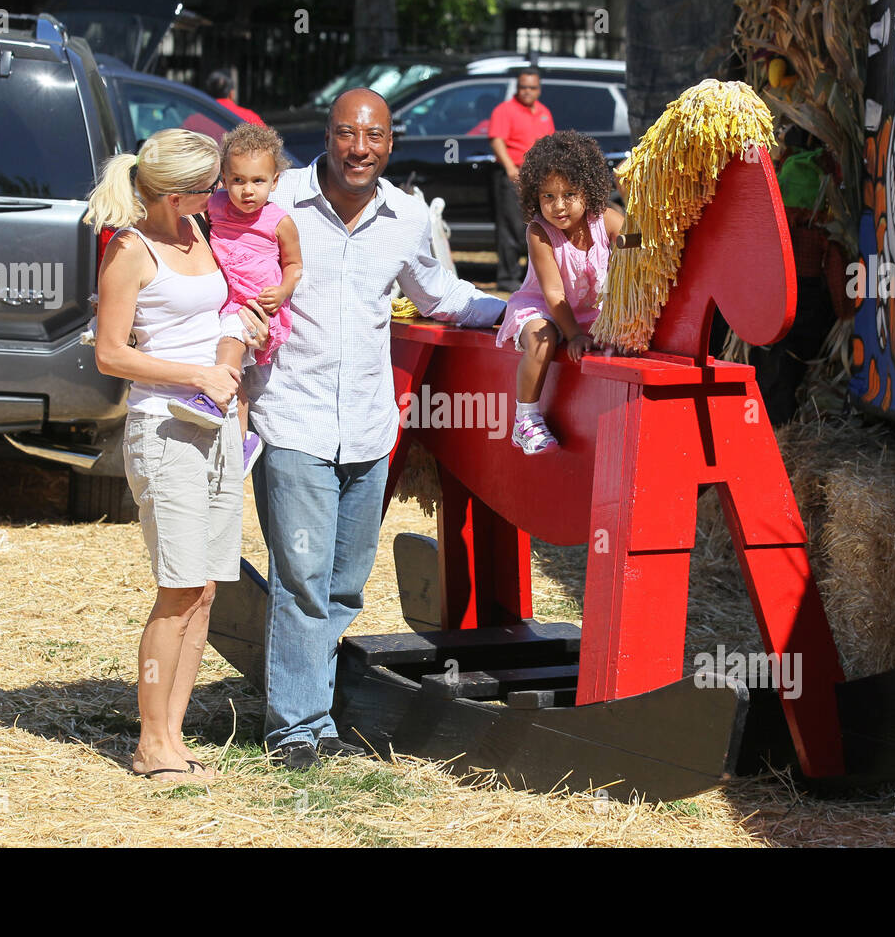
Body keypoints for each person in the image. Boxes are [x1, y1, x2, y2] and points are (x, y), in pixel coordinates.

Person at [247, 87, 504, 770]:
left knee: (343, 584)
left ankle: (312, 702)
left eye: (374, 137)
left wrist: (514, 311)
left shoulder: (407, 216)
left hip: (366, 427)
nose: (359, 149)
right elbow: (226, 268)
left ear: (390, 143)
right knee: (301, 577)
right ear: (326, 136)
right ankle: (296, 728)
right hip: (293, 417)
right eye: (345, 134)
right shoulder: (278, 202)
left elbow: (438, 295)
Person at [85, 128, 269, 782]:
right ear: (175, 195)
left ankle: (173, 737)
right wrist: (195, 376)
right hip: (164, 429)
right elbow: (110, 353)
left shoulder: (198, 234)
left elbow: (213, 316)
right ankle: (150, 742)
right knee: (178, 587)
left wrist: (236, 338)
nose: (219, 194)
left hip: (216, 427)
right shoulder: (131, 251)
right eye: (208, 187)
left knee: (206, 589)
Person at [169, 124, 301, 478]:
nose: (247, 191)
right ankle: (242, 442)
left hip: (259, 307)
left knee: (231, 338)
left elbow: (294, 264)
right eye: (237, 180)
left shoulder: (279, 221)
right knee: (239, 379)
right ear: (223, 179)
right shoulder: (214, 206)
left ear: (274, 182)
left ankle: (213, 398)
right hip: (226, 302)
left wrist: (284, 291)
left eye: (258, 181)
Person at [495, 130, 623, 455]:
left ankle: (610, 419)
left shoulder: (604, 219)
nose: (558, 206)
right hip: (541, 308)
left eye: (569, 194)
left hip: (589, 312)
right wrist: (575, 334)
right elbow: (553, 293)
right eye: (547, 196)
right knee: (544, 339)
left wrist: (642, 231)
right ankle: (525, 418)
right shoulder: (539, 232)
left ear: (589, 190)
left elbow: (637, 243)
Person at [487, 68, 554, 292]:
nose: (527, 92)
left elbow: (549, 144)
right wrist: (510, 168)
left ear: (539, 89)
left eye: (532, 88)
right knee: (511, 227)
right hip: (514, 175)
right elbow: (497, 141)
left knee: (534, 226)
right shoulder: (505, 110)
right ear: (517, 88)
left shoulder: (544, 112)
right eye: (523, 87)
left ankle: (531, 276)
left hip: (539, 179)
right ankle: (508, 277)